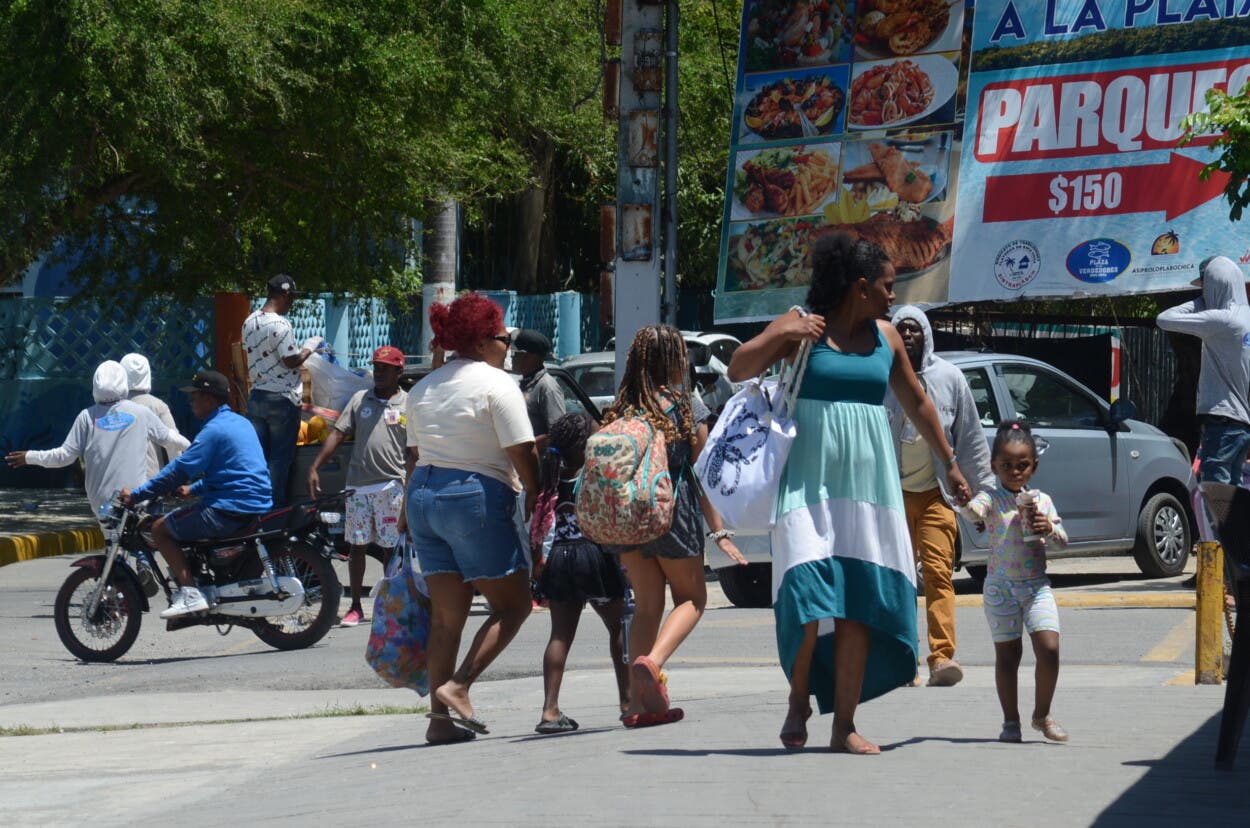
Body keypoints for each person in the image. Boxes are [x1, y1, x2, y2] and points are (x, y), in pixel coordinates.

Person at [727, 233, 971, 754]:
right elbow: (738, 368)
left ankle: (844, 726)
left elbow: (920, 404)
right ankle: (798, 699)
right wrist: (785, 332)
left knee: (859, 604)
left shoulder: (887, 337)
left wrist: (949, 462)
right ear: (860, 287)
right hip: (807, 487)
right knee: (807, 597)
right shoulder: (802, 327)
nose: (893, 296)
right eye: (887, 286)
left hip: (868, 491)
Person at [404, 294, 540, 745]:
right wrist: (538, 497)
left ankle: (438, 721)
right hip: (473, 495)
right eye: (504, 339)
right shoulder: (497, 385)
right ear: (483, 341)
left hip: (422, 495)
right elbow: (523, 451)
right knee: (514, 605)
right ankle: (459, 685)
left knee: (447, 617)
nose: (509, 348)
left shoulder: (423, 387)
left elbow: (414, 456)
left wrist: (407, 512)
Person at [601, 325, 747, 729]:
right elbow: (702, 474)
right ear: (676, 361)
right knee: (691, 599)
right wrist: (718, 531)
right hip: (672, 512)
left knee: (647, 605)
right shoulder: (685, 406)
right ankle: (655, 662)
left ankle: (636, 705)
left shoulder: (622, 408)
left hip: (630, 520)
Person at [885, 306, 994, 687]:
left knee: (938, 574)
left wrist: (982, 496)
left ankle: (942, 657)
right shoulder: (881, 376)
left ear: (928, 336)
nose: (910, 335)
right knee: (897, 579)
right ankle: (901, 660)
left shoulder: (951, 378)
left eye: (916, 329)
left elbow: (971, 440)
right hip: (891, 495)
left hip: (937, 495)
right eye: (902, 329)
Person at [122, 370, 273, 619]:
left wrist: (137, 495)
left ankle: (190, 592)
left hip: (228, 507)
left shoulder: (212, 431)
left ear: (210, 400)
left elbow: (180, 469)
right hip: (254, 502)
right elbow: (230, 472)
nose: (191, 402)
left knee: (160, 528)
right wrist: (192, 489)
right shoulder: (240, 422)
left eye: (196, 396)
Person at [960, 420, 1069, 744]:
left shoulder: (1042, 501)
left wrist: (1047, 526)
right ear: (995, 466)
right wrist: (965, 498)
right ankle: (1011, 721)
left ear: (1033, 467)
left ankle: (1042, 714)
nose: (1015, 472)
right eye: (1006, 465)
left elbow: (1063, 541)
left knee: (1049, 649)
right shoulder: (991, 499)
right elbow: (972, 512)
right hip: (1000, 588)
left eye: (1022, 465)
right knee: (1008, 657)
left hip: (1036, 587)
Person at [530, 412, 630, 733]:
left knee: (560, 634)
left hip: (560, 557)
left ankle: (549, 709)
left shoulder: (549, 478)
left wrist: (538, 562)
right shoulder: (595, 474)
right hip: (595, 556)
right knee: (619, 628)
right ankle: (628, 703)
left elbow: (538, 525)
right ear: (585, 445)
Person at [308, 345, 413, 627]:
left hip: (391, 486)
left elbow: (415, 451)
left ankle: (393, 605)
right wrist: (315, 466)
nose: (378, 373)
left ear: (398, 371)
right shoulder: (359, 399)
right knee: (357, 546)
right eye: (376, 367)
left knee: (392, 549)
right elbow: (338, 434)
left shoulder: (408, 404)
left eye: (385, 368)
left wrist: (411, 487)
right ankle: (355, 606)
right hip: (357, 487)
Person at [6, 361, 189, 516]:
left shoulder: (86, 416)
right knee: (139, 544)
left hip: (100, 502)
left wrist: (29, 456)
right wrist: (196, 449)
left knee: (113, 546)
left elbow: (64, 456)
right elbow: (172, 439)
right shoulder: (142, 414)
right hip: (135, 498)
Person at [1156, 255, 1250, 485]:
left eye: (1205, 286)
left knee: (1215, 495)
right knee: (1234, 500)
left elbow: (1164, 318)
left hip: (1222, 420)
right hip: (1241, 425)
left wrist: (1200, 302)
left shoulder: (1221, 320)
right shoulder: (1245, 317)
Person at [242, 273, 322, 507]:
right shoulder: (279, 324)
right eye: (292, 297)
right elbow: (291, 360)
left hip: (256, 397)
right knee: (279, 460)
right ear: (284, 294)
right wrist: (309, 348)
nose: (292, 302)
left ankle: (254, 508)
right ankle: (273, 513)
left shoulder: (250, 321)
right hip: (281, 400)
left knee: (258, 458)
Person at [121, 352, 186, 479]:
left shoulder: (112, 406)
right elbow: (174, 444)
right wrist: (176, 478)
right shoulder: (157, 406)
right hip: (149, 480)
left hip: (116, 479)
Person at [510, 329, 565, 453]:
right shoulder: (524, 383)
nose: (512, 359)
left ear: (527, 356)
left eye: (515, 354)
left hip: (538, 464)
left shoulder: (547, 387)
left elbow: (558, 432)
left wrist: (526, 449)